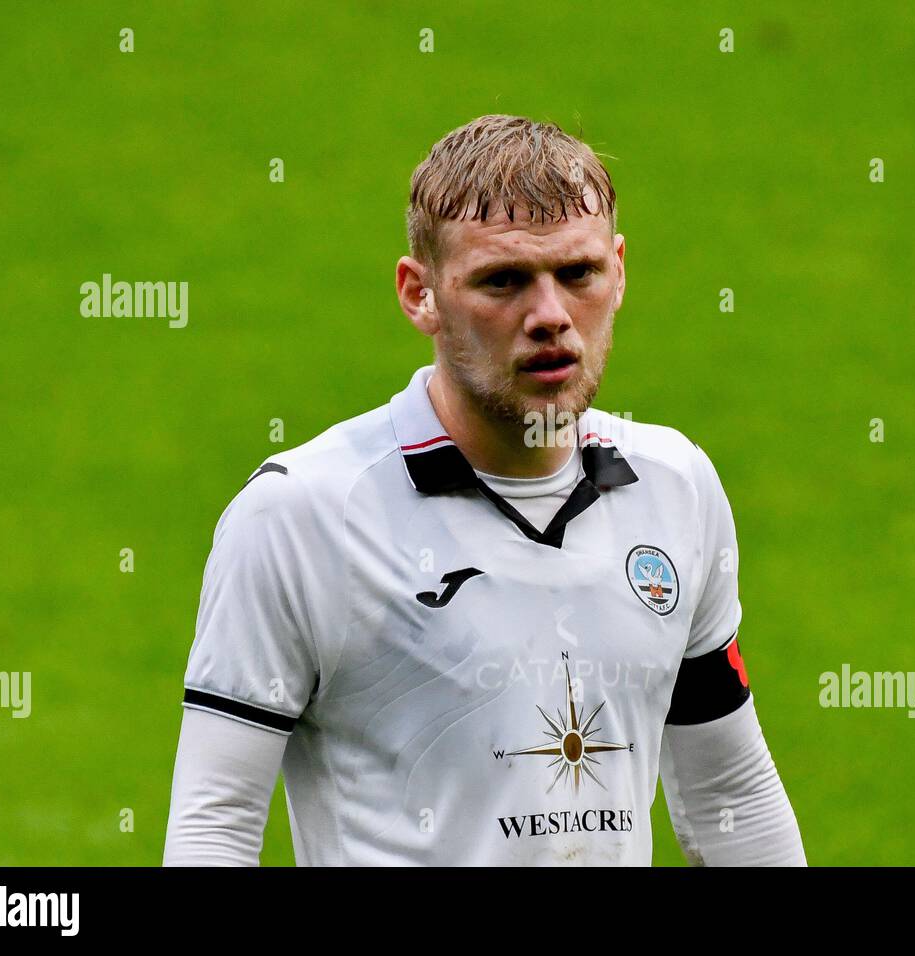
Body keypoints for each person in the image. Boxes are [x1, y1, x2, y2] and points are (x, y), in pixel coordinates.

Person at [163, 114, 806, 866]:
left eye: (578, 273)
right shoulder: (302, 515)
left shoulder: (675, 487)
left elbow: (730, 793)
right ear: (420, 293)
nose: (550, 318)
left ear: (620, 272)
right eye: (502, 281)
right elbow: (216, 827)